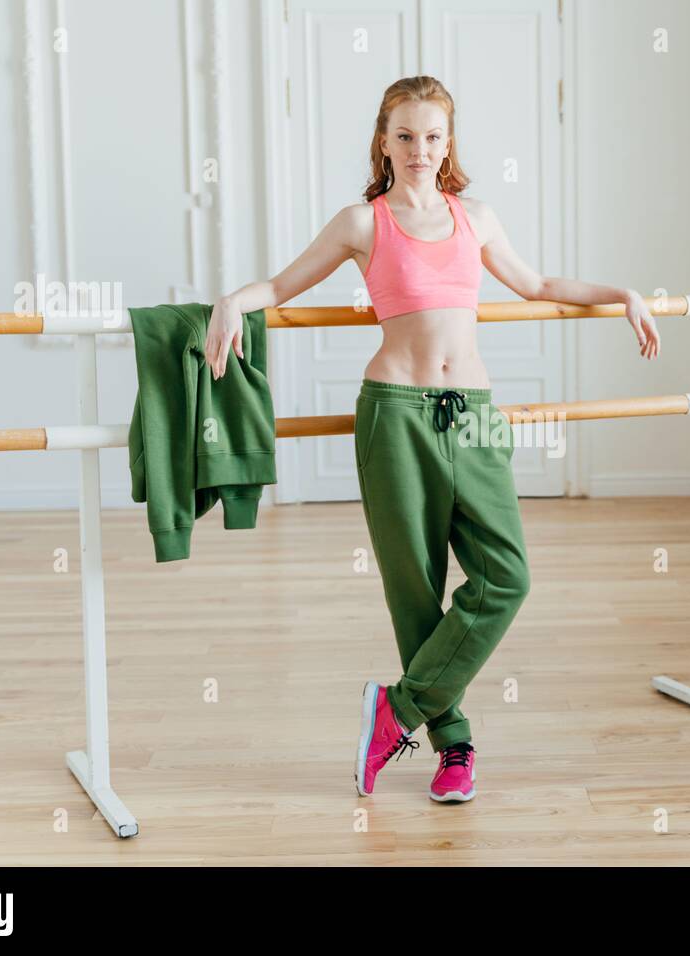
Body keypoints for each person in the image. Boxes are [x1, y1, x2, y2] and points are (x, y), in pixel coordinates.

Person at [205, 75, 660, 803]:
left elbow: (537, 282)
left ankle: (396, 711)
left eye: (434, 136)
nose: (420, 149)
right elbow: (282, 286)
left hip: (474, 412)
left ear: (451, 142)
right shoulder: (362, 221)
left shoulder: (474, 216)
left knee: (505, 578)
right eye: (406, 135)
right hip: (395, 413)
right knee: (416, 594)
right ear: (384, 141)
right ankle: (454, 748)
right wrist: (231, 302)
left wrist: (624, 295)